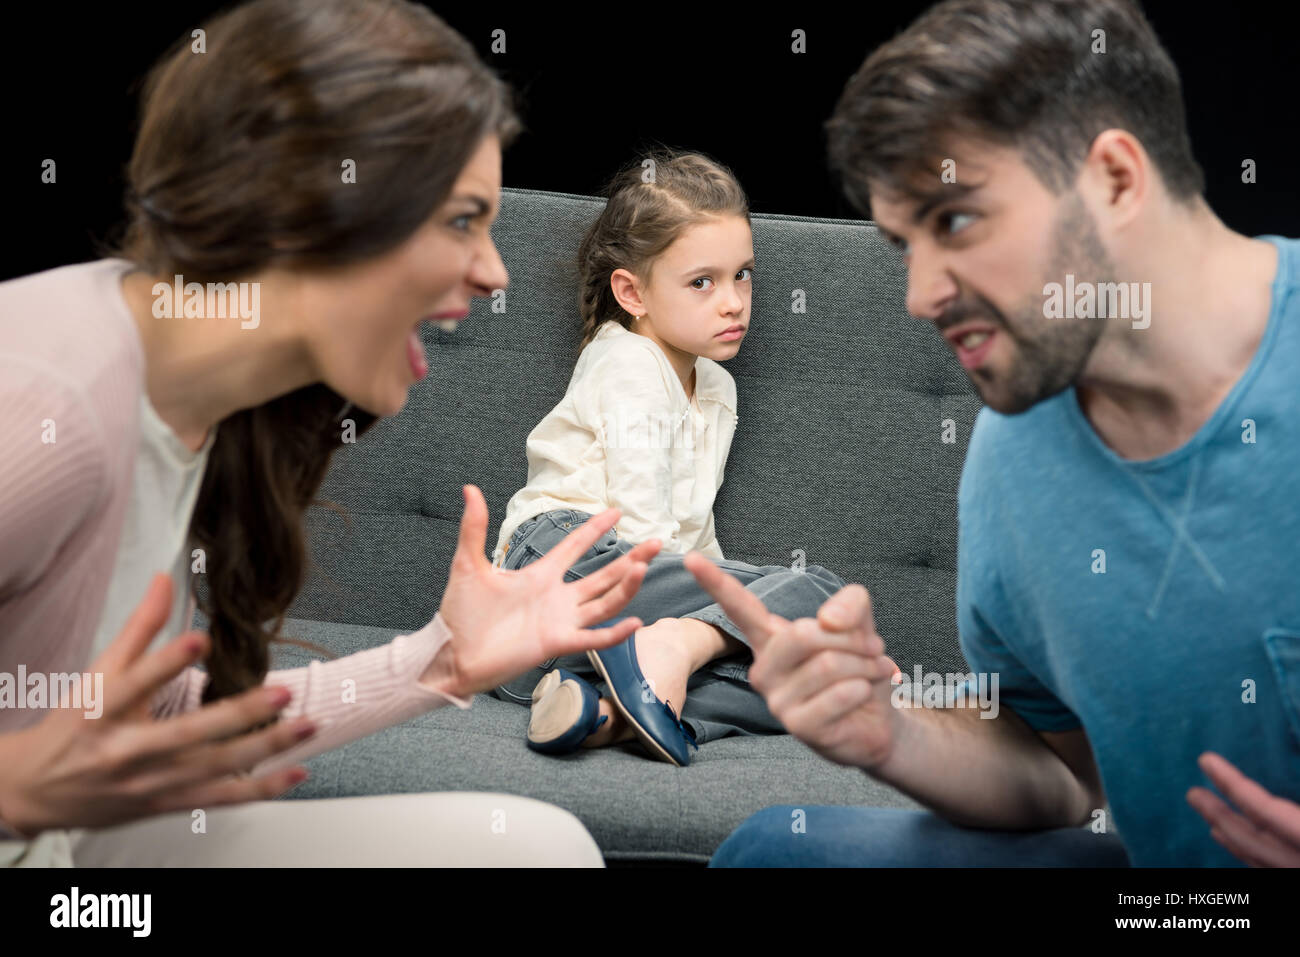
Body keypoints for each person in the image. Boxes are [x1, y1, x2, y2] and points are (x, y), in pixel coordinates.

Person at [0, 0, 661, 867]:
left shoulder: (190, 404)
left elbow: (149, 724)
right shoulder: (50, 406)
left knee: (538, 850)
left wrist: (444, 662)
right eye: (462, 219)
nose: (494, 270)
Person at [696, 0, 1300, 866]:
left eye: (955, 221)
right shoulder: (1015, 457)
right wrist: (892, 732)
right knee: (775, 854)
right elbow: (1062, 776)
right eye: (906, 244)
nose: (919, 295)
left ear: (1117, 180)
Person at [490, 151, 862, 764]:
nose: (733, 302)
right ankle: (673, 648)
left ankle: (600, 709)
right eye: (702, 282)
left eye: (742, 274)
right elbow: (644, 535)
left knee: (812, 689)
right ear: (632, 292)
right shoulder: (629, 363)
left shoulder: (716, 386)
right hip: (564, 565)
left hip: (550, 653)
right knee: (819, 594)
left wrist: (735, 623)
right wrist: (754, 616)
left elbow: (696, 542)